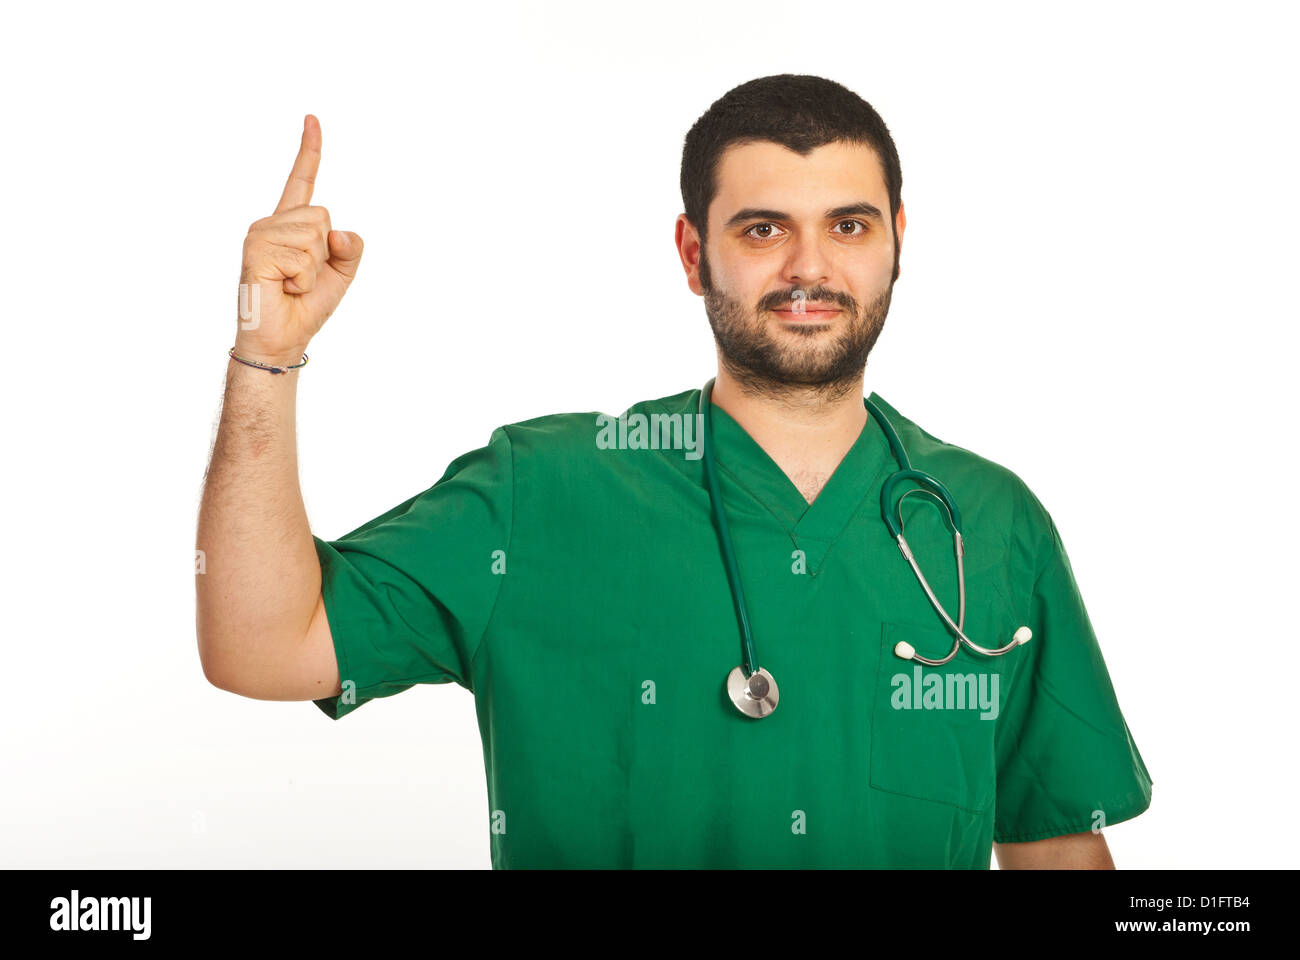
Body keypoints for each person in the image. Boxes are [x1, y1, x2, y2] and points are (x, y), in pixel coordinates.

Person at [196, 74, 1152, 869]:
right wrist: (265, 355)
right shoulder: (544, 491)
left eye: (850, 227)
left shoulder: (990, 522)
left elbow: (1058, 850)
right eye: (763, 230)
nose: (809, 268)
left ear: (899, 237)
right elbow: (262, 645)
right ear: (695, 253)